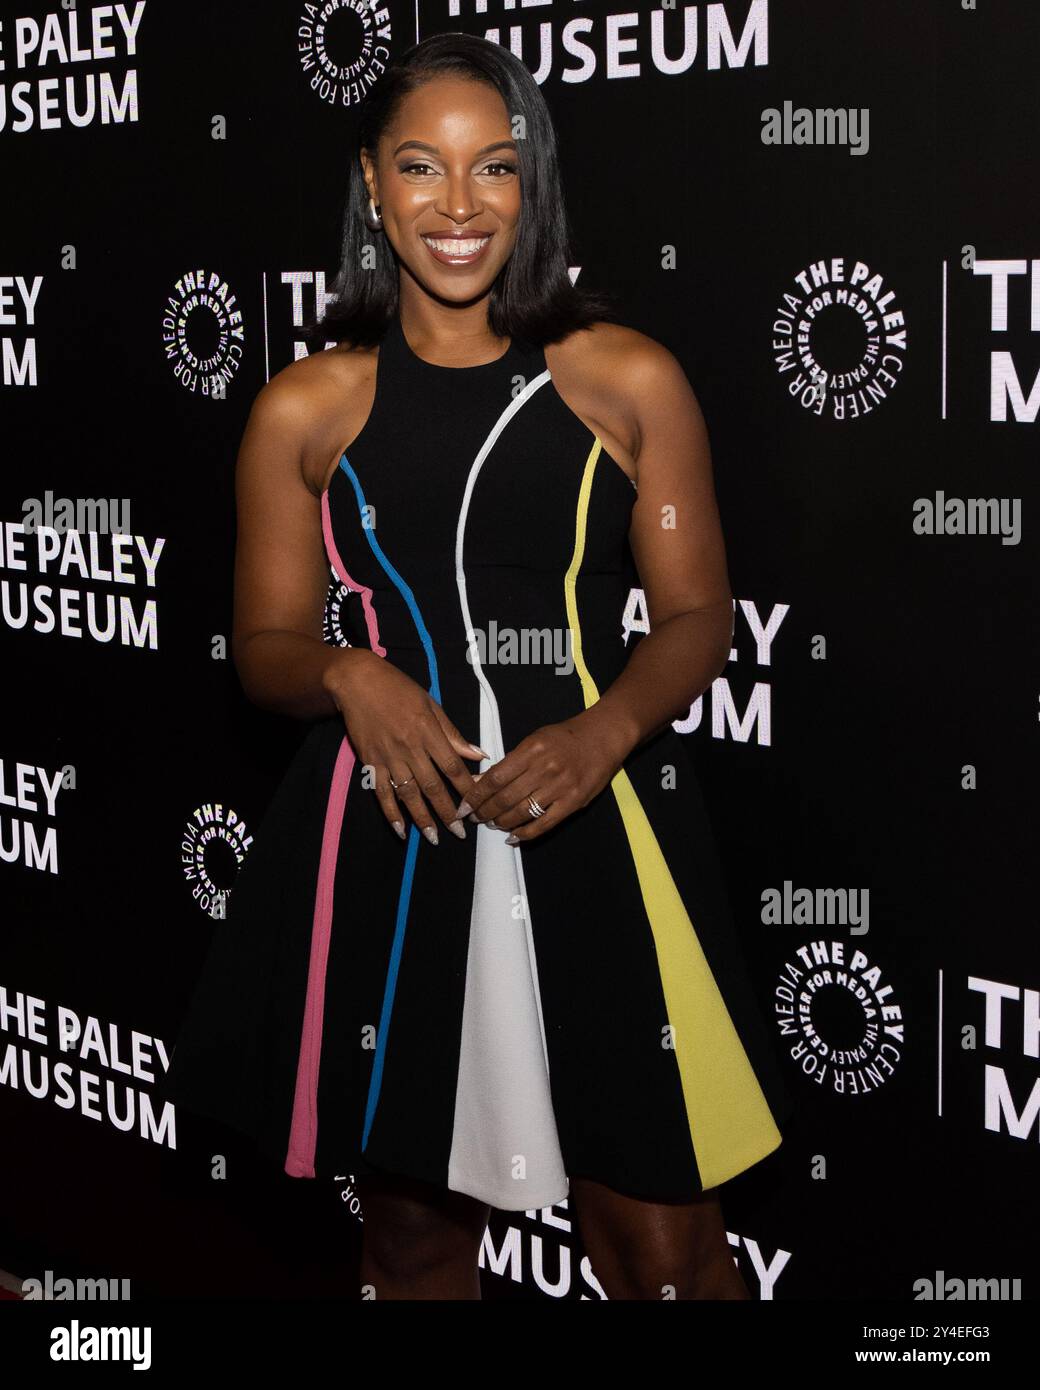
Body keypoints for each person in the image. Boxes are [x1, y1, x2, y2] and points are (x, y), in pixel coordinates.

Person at [162, 31, 793, 1301]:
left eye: (492, 169)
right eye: (419, 168)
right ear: (373, 190)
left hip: (593, 827)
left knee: (662, 1244)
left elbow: (695, 615)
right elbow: (269, 645)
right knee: (407, 1236)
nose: (458, 207)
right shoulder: (304, 406)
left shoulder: (624, 380)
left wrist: (602, 731)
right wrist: (351, 676)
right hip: (400, 836)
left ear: (531, 185)